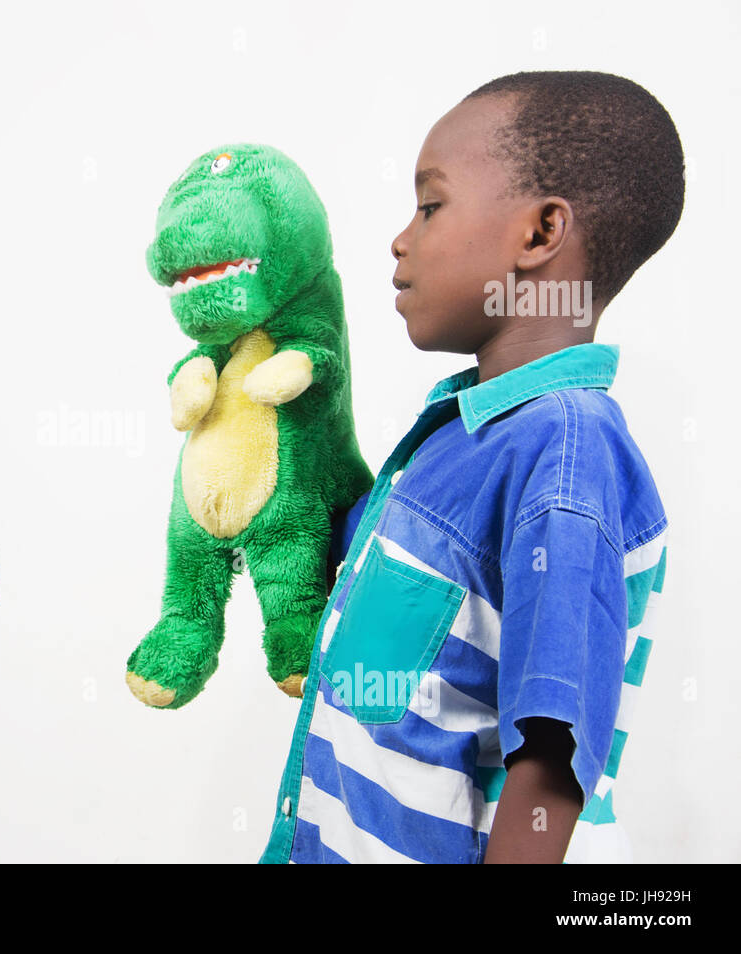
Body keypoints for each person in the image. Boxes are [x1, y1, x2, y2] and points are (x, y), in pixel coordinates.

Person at [260, 71, 681, 864]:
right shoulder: (457, 439)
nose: (401, 239)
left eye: (430, 206)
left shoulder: (567, 451)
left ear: (539, 233)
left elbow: (550, 765)